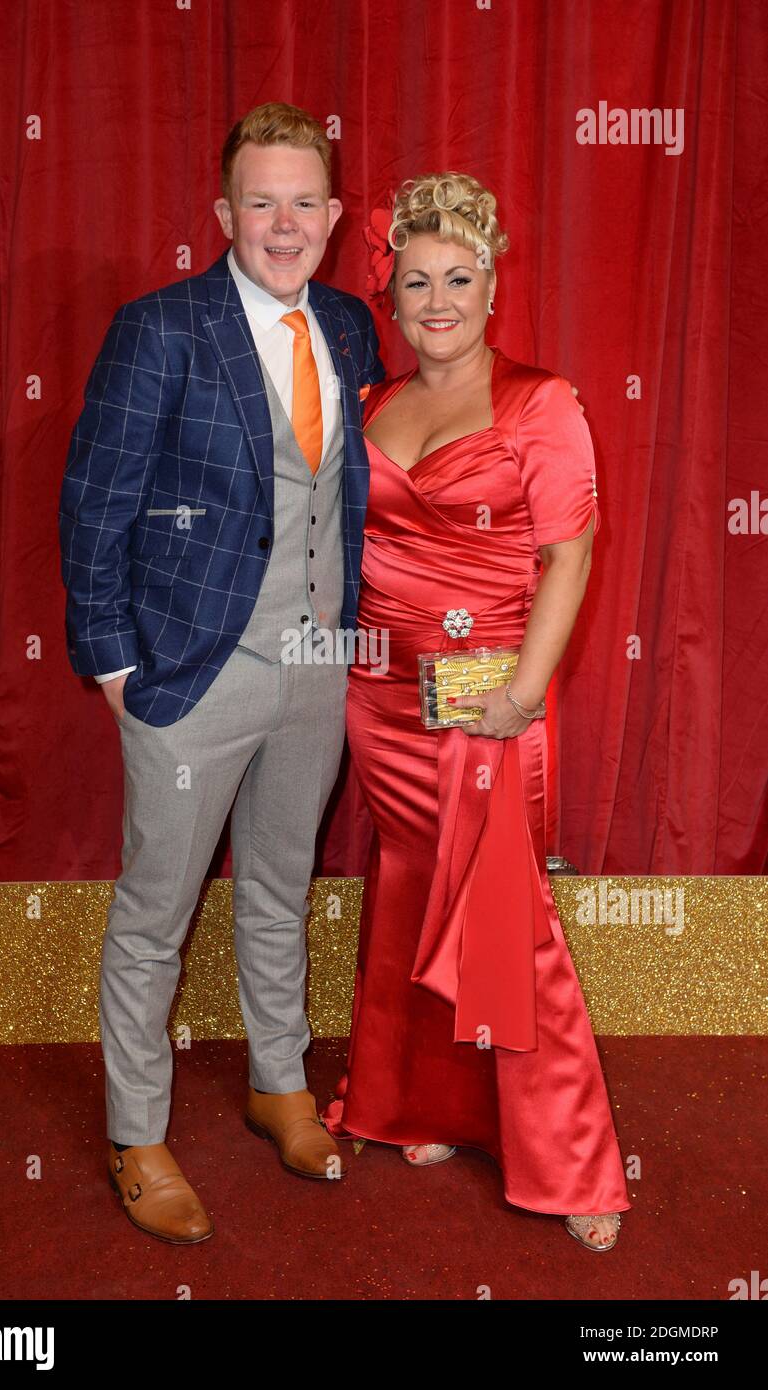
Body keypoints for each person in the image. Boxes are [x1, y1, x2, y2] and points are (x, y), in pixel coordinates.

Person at [59, 102, 385, 1244]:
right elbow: (95, 502)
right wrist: (110, 660)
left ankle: (278, 1083)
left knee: (279, 886)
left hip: (317, 668)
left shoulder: (349, 326)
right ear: (223, 213)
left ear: (336, 218)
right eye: (261, 201)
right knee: (155, 912)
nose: (283, 223)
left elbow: (357, 498)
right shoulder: (161, 328)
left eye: (305, 201)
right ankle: (135, 1132)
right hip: (189, 676)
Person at [320, 173, 631, 1252]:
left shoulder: (540, 402)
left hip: (491, 701)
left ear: (491, 287)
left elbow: (569, 552)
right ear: (392, 300)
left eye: (459, 277)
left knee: (504, 917)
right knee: (410, 891)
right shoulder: (372, 406)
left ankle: (571, 1161)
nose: (438, 300)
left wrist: (520, 694)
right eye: (416, 282)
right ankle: (426, 1105)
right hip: (382, 701)